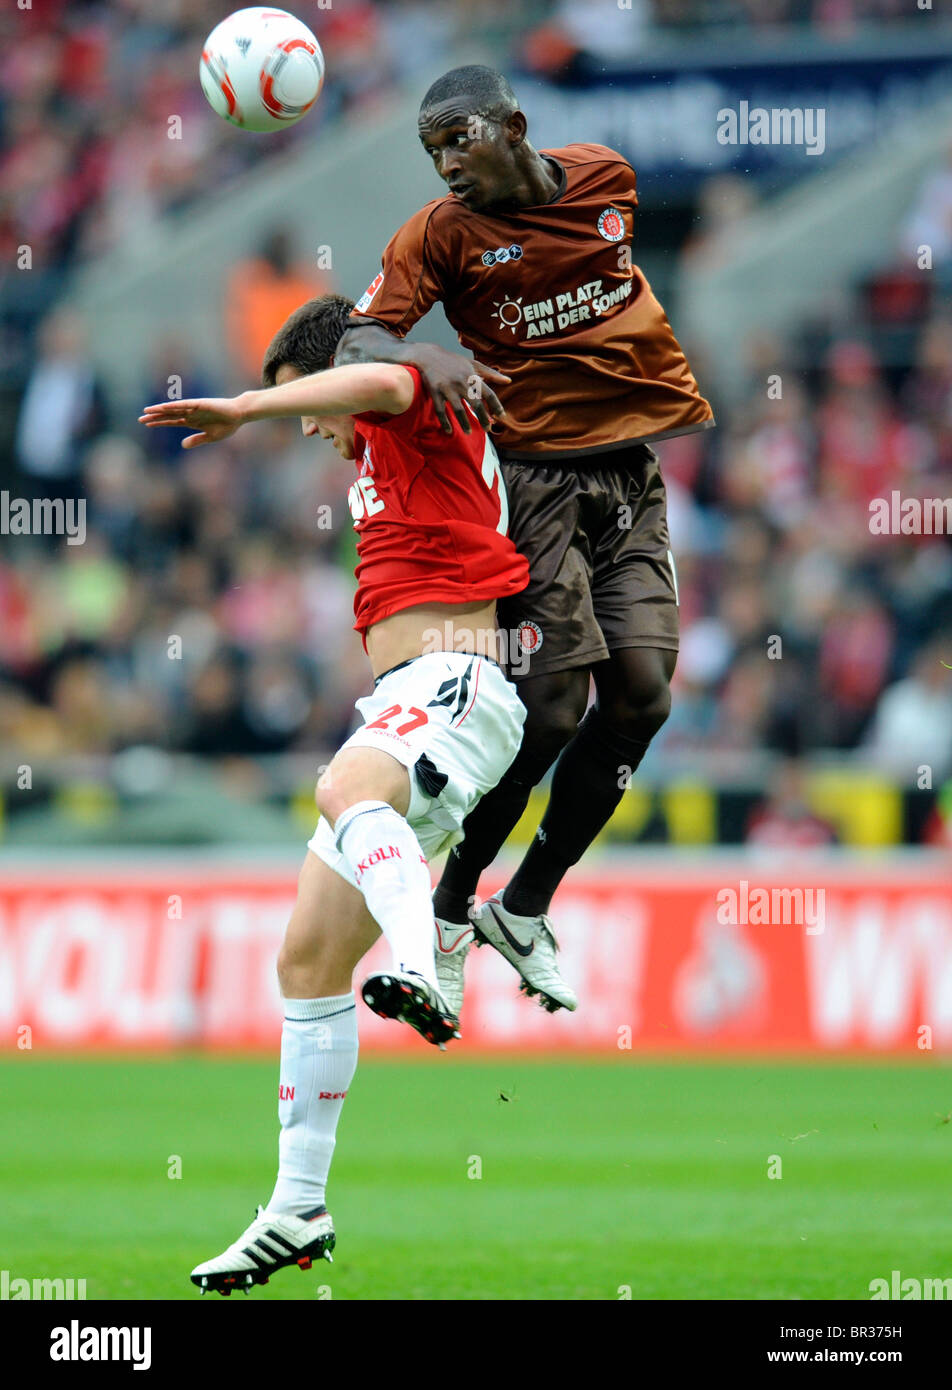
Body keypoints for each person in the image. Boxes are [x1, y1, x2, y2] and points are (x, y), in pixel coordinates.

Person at [139, 292, 529, 1294]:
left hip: (457, 675)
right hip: (409, 693)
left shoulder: (413, 399)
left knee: (344, 785)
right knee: (306, 958)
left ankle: (428, 960)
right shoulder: (385, 455)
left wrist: (245, 408)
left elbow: (380, 377)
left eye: (305, 401)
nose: (311, 424)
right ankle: (297, 1205)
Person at [336, 64, 714, 1016]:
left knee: (644, 696)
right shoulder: (439, 235)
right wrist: (427, 352)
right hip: (535, 482)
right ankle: (453, 904)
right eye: (432, 152)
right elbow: (355, 344)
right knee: (547, 709)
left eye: (459, 141)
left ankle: (525, 905)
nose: (447, 166)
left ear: (514, 125)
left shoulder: (607, 180)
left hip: (630, 476)